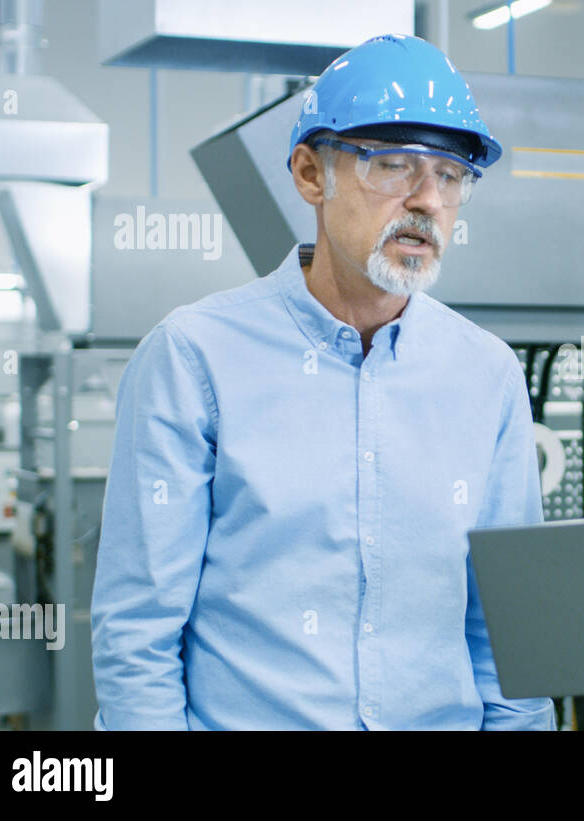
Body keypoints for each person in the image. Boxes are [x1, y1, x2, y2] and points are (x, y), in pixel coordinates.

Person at [91, 34, 554, 730]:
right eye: (394, 165)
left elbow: (510, 635)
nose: (427, 200)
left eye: (451, 174)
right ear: (311, 174)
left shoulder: (486, 375)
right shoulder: (193, 359)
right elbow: (138, 635)